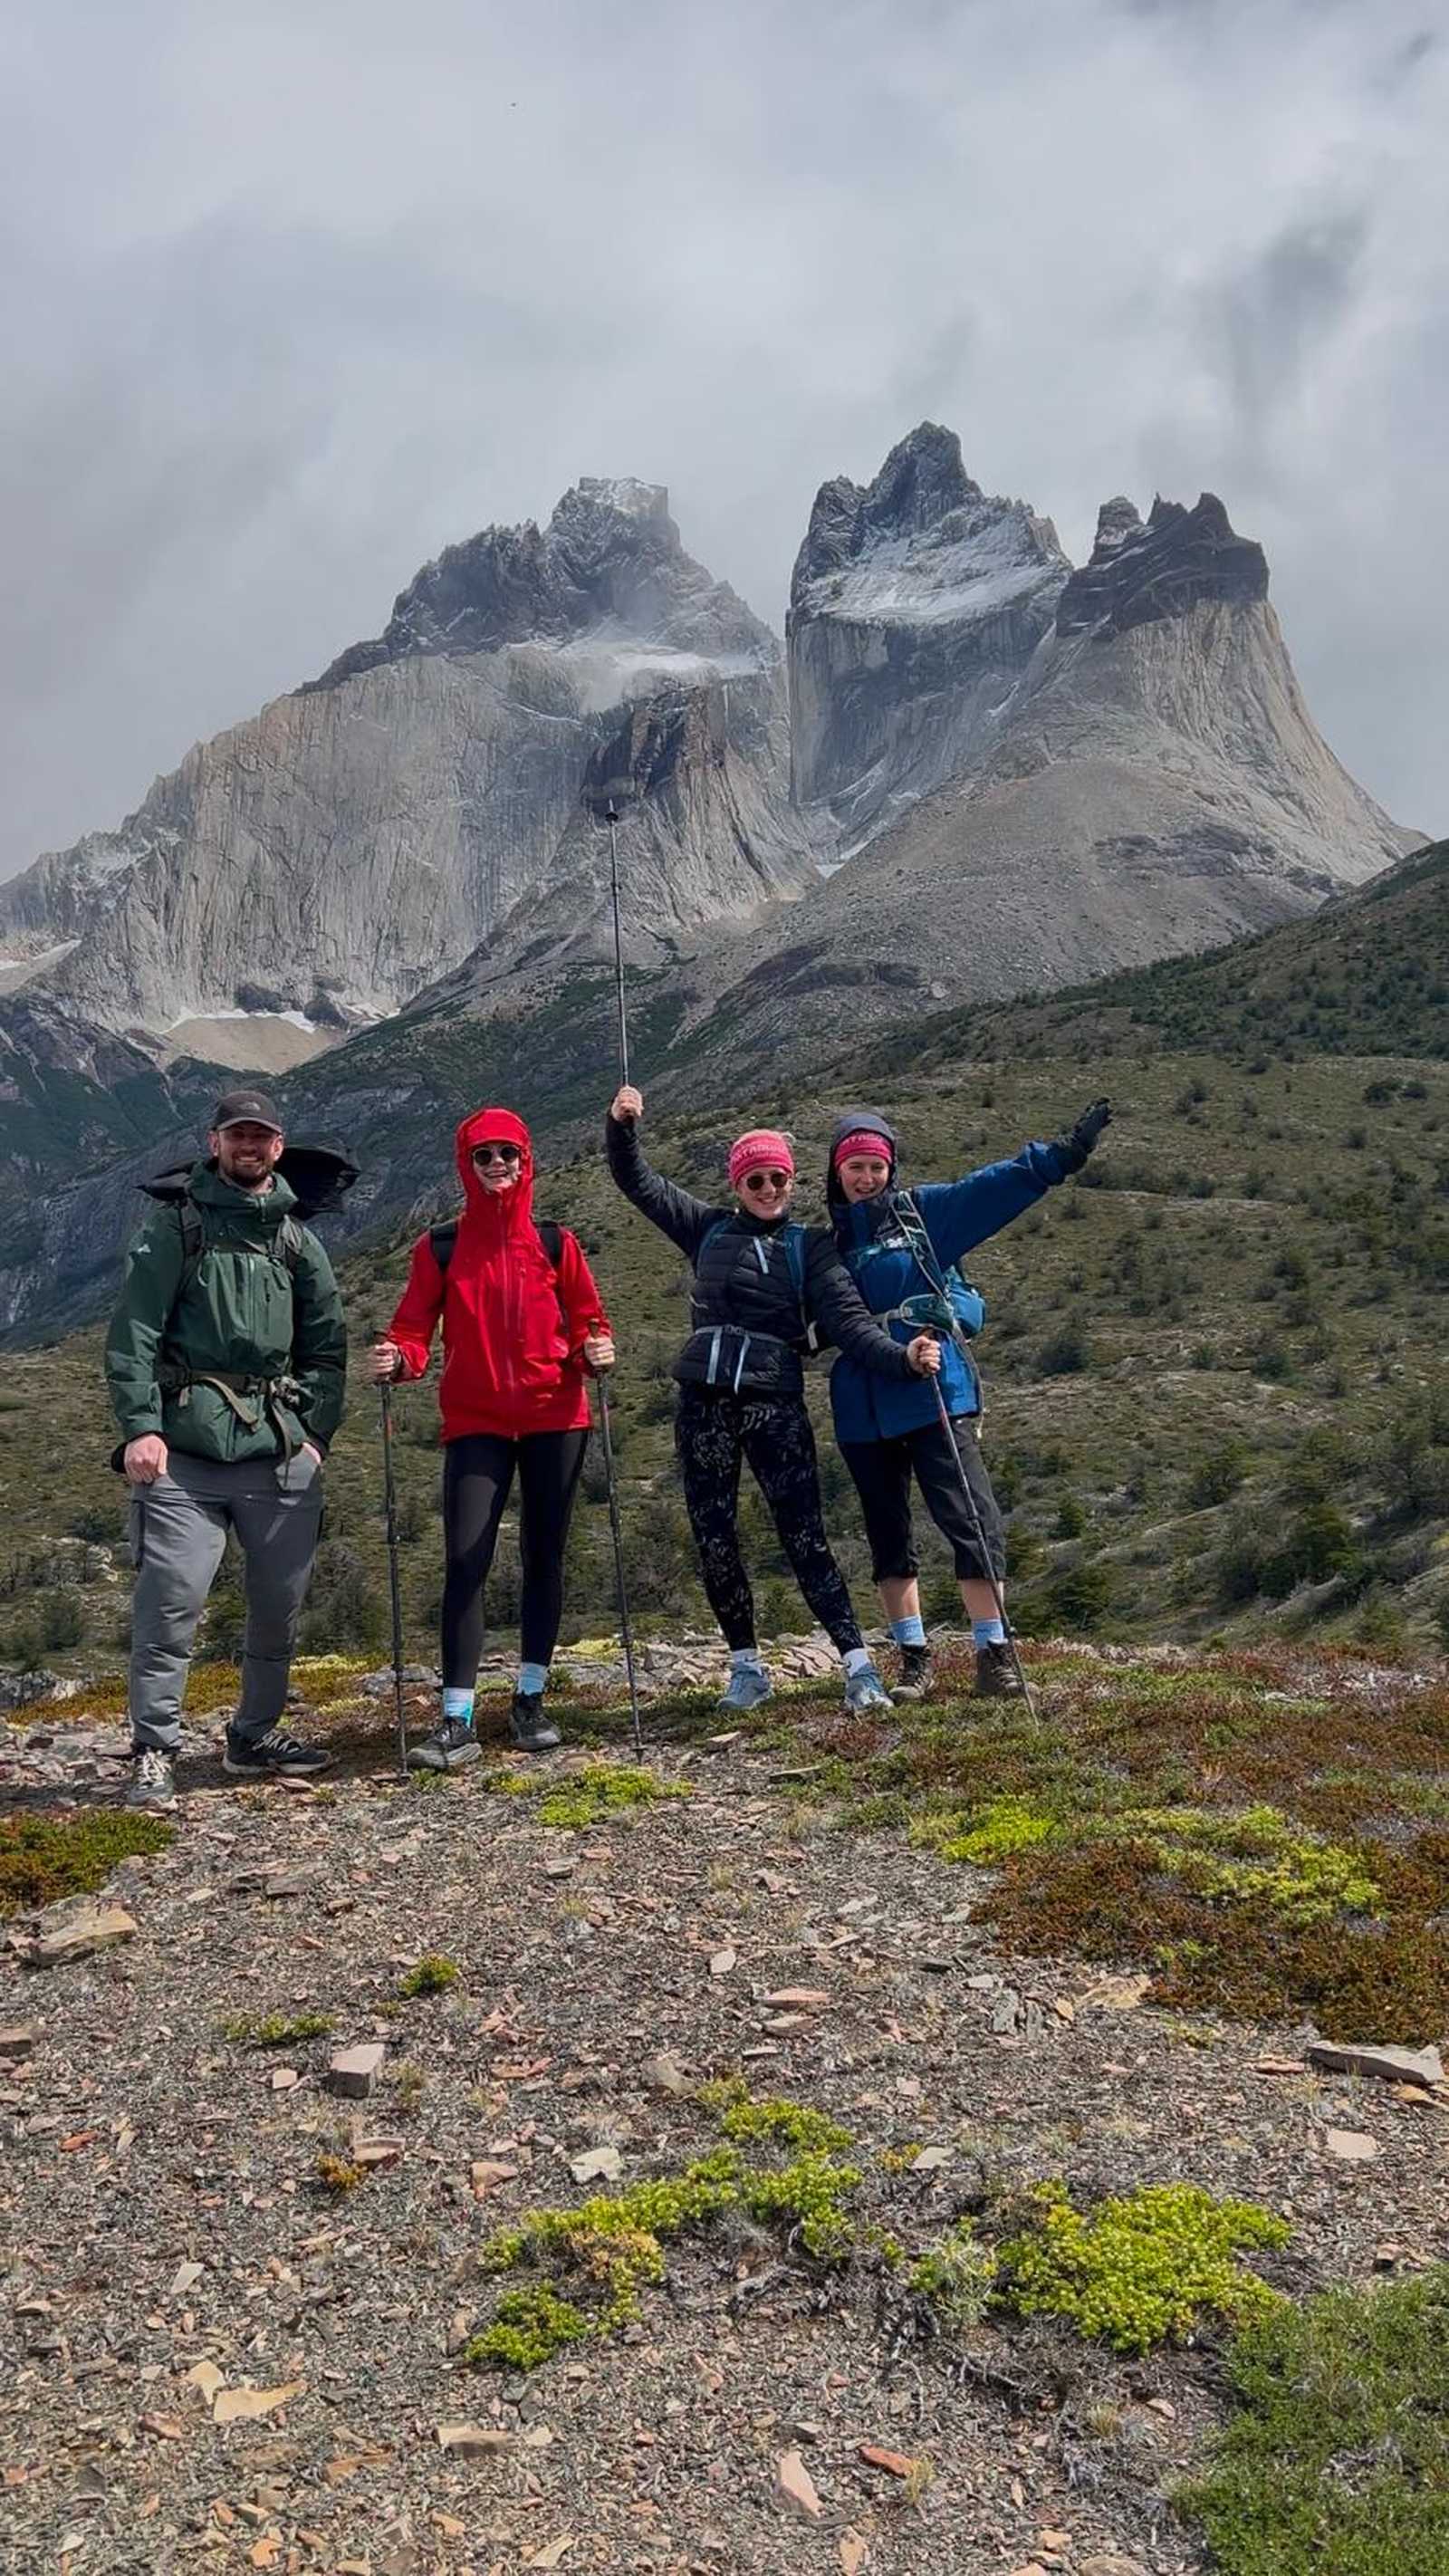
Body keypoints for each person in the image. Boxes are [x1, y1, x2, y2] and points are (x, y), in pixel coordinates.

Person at [605, 1084, 942, 1713]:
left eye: (778, 1179)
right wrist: (622, 1127)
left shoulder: (809, 1247)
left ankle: (858, 1666)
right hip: (702, 1404)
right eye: (756, 1180)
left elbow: (849, 1324)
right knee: (714, 1537)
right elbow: (637, 1182)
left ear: (792, 1182)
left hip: (774, 1405)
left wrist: (901, 1359)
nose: (768, 1190)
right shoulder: (704, 1229)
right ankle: (746, 1669)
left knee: (804, 1535)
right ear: (738, 1185)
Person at [105, 1089, 348, 1810]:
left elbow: (327, 1348)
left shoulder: (298, 1242)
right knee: (170, 1605)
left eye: (262, 1137)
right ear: (214, 1144)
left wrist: (315, 1439)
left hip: (276, 1454)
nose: (250, 1147)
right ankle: (154, 1750)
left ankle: (253, 1735)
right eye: (237, 1135)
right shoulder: (176, 1228)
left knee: (278, 1607)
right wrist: (139, 1428)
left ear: (278, 1148)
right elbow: (135, 1334)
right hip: (183, 1454)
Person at [825, 1101, 1111, 1702]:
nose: (865, 1177)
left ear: (890, 1168)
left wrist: (1059, 1159)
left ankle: (994, 1655)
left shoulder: (924, 1214)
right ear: (836, 1170)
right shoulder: (824, 1245)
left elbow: (990, 1190)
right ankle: (914, 1660)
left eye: (875, 1165)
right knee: (888, 1533)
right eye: (854, 1166)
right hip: (863, 1405)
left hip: (936, 1392)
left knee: (972, 1521)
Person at [369, 1108, 614, 1765]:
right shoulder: (441, 1247)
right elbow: (413, 1329)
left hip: (555, 1417)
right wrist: (399, 1357)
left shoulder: (556, 1243)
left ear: (526, 1160)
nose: (498, 1163)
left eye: (508, 1153)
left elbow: (590, 1318)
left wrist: (597, 1350)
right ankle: (458, 1717)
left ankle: (530, 1700)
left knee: (545, 1557)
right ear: (466, 1165)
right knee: (465, 1562)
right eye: (485, 1155)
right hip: (476, 1421)